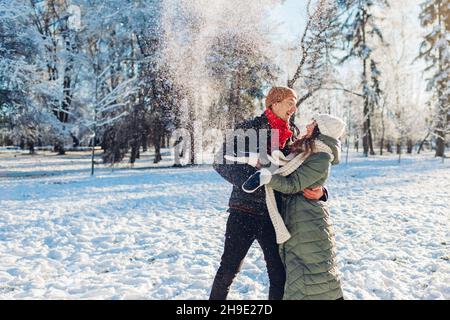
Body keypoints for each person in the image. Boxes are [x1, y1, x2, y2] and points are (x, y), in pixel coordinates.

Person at [209, 87, 328, 300]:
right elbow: (220, 161)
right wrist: (252, 178)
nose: (294, 108)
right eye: (290, 102)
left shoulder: (293, 134)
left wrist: (320, 191)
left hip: (274, 215)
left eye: (295, 103)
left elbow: (301, 171)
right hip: (243, 210)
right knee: (228, 270)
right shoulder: (249, 129)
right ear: (274, 102)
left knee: (279, 276)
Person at [242, 114, 345, 300]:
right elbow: (291, 170)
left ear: (321, 130)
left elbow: (292, 184)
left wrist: (266, 177)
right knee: (302, 276)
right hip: (298, 218)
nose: (307, 126)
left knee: (311, 276)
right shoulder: (307, 150)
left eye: (313, 124)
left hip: (308, 223)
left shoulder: (320, 156)